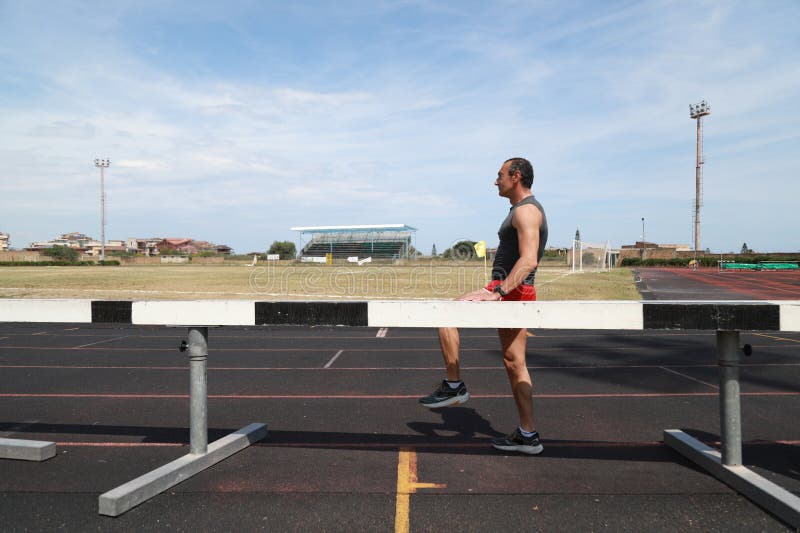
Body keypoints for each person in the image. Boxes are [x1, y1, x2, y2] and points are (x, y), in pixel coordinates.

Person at [419, 157, 548, 455]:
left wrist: (499, 292)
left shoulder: (527, 210)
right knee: (514, 363)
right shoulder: (520, 210)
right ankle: (528, 435)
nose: (496, 180)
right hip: (506, 288)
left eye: (500, 175)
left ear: (516, 176)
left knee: (448, 314)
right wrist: (495, 288)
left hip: (512, 290)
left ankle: (454, 386)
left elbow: (529, 260)